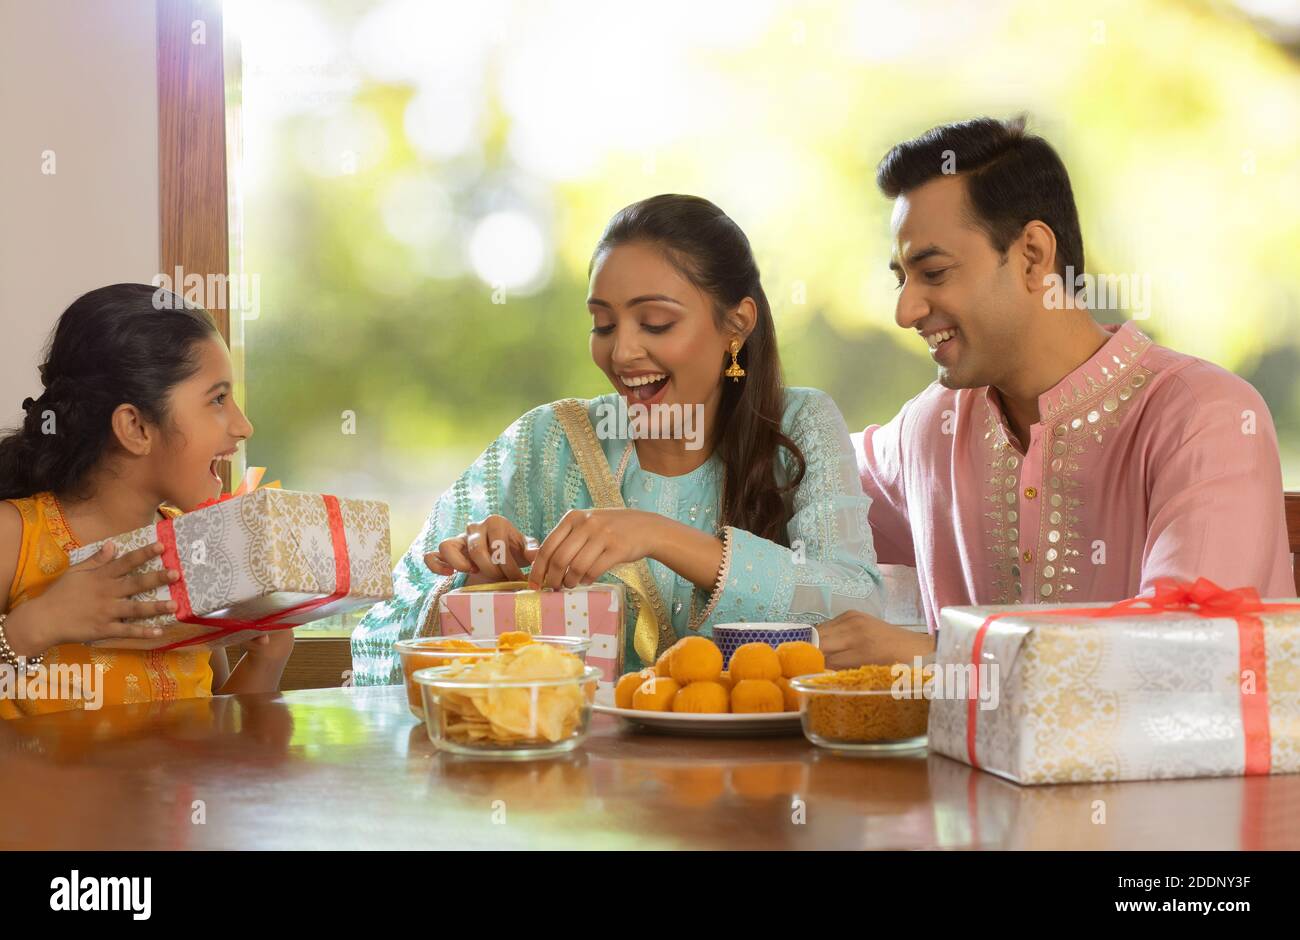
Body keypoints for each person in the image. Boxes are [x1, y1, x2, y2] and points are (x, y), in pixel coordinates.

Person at [351, 194, 884, 683]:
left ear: (737, 325)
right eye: (604, 326)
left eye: (654, 323)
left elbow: (856, 605)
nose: (622, 352)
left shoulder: (799, 424)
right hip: (580, 776)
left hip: (760, 776)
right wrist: (481, 584)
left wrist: (658, 535)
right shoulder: (548, 442)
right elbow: (381, 638)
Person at [823, 116, 1295, 665]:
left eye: (934, 272)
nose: (905, 311)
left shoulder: (1205, 418)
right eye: (901, 278)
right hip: (952, 757)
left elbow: (1184, 656)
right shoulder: (932, 427)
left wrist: (927, 657)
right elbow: (791, 479)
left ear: (1032, 255)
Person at [0, 283, 293, 718]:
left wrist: (268, 654)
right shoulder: (14, 535)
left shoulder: (197, 546)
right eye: (217, 399)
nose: (243, 425)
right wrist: (38, 624)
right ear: (135, 427)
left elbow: (219, 726)